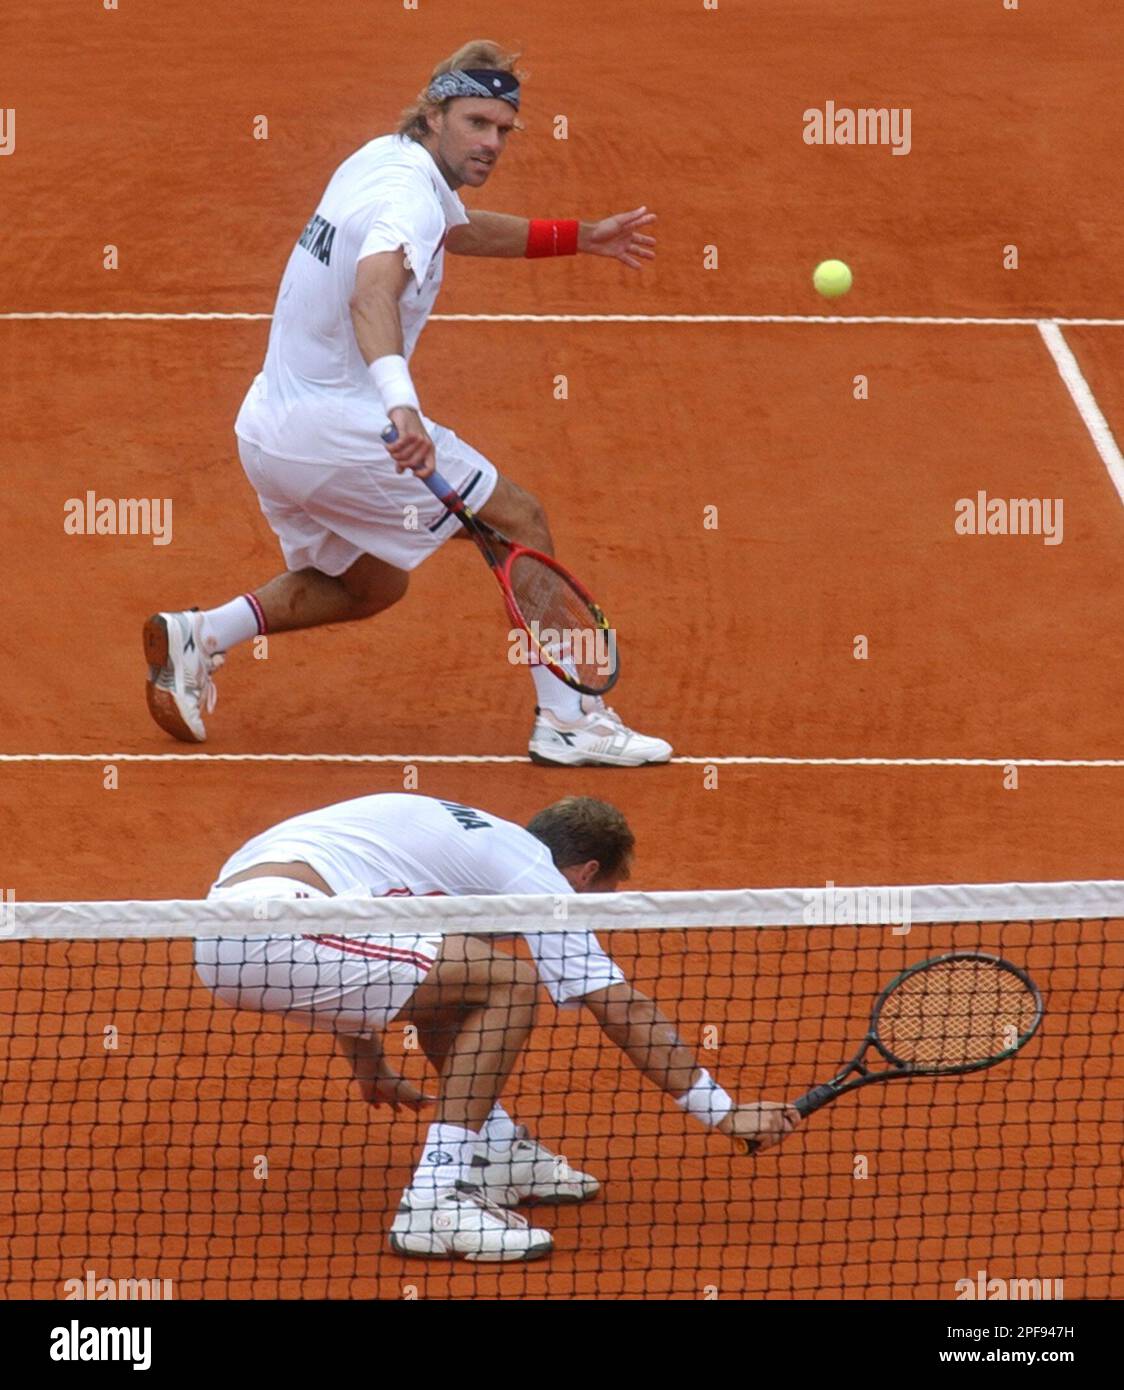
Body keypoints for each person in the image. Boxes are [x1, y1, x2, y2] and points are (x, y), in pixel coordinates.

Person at [144, 38, 670, 768]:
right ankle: (570, 718)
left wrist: (578, 237)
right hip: (346, 431)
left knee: (368, 584)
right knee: (518, 519)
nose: (491, 143)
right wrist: (401, 406)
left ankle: (199, 636)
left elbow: (455, 228)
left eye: (503, 130)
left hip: (269, 431)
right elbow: (374, 291)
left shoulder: (384, 159)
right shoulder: (403, 200)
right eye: (476, 124)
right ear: (433, 113)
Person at [194, 792, 800, 1262]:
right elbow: (619, 1004)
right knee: (511, 982)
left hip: (231, 935)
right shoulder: (532, 872)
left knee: (468, 975)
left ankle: (496, 1151)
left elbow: (366, 931)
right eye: (601, 897)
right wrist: (720, 1110)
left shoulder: (466, 848)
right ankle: (435, 1201)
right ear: (585, 873)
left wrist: (367, 1059)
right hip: (277, 933)